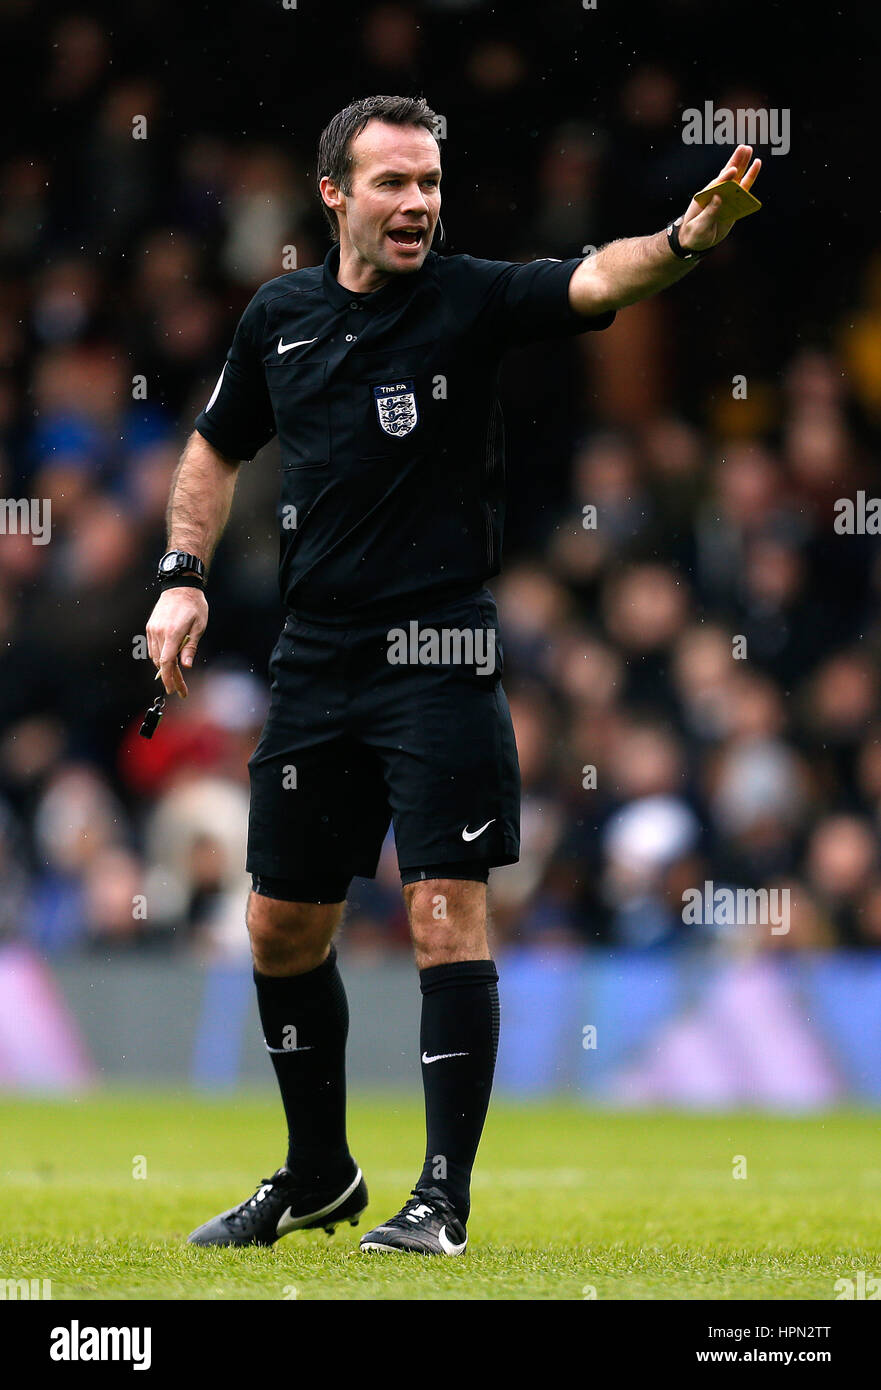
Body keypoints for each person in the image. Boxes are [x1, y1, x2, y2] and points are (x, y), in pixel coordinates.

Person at [145, 94, 760, 1255]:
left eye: (428, 182)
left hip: (437, 653)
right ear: (333, 194)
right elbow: (215, 447)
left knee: (442, 909)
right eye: (392, 182)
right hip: (314, 657)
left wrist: (683, 239)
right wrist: (182, 573)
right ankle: (318, 1173)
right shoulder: (278, 316)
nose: (417, 202)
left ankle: (440, 1199)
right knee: (278, 928)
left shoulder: (471, 297)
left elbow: (598, 277)